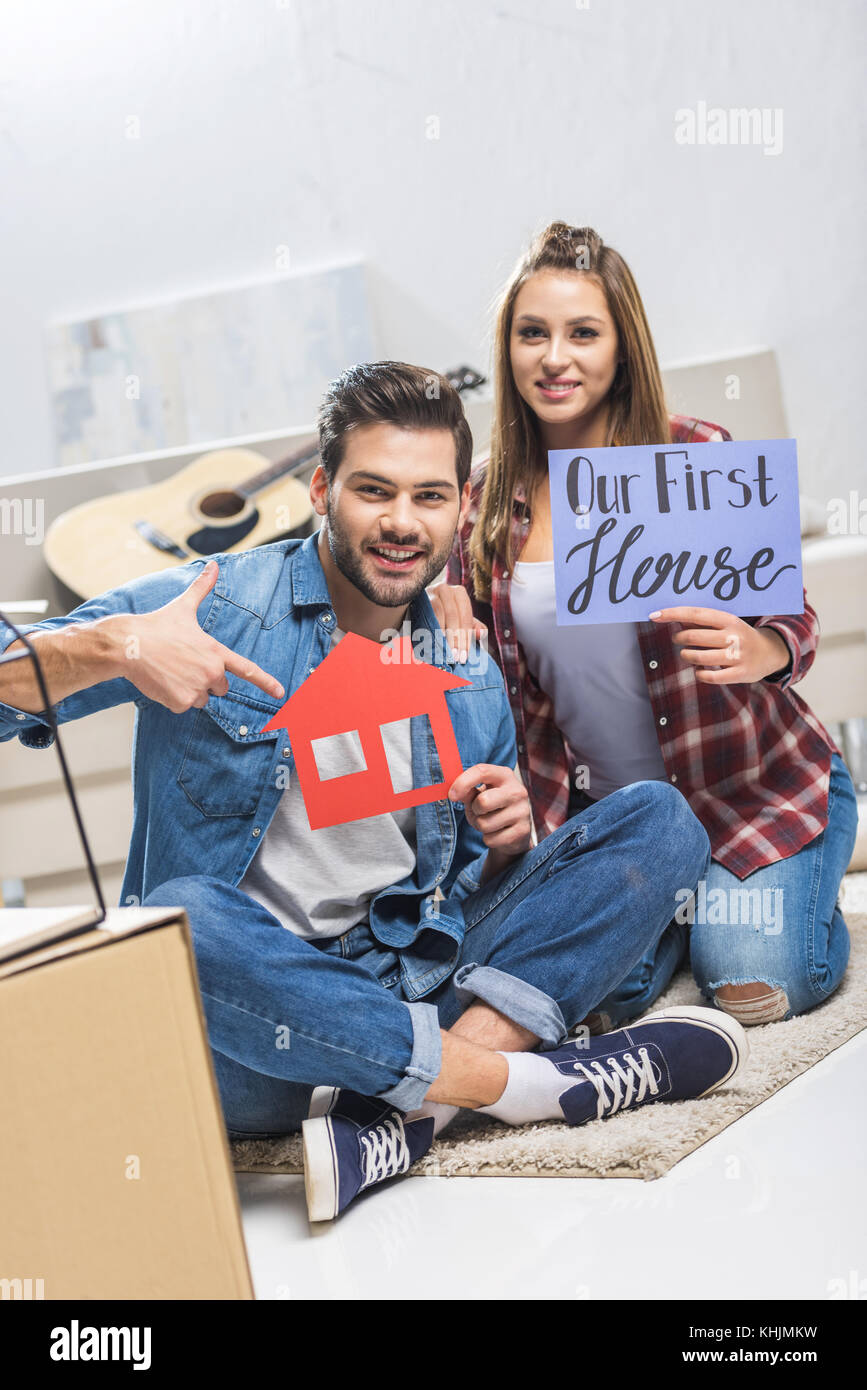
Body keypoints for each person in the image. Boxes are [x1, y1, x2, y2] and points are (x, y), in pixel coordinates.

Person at [0, 361, 747, 1223]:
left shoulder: (464, 669)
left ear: (459, 508)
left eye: (429, 496)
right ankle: (522, 1084)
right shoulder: (211, 604)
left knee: (660, 823)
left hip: (405, 984)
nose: (401, 523)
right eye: (373, 491)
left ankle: (403, 1116)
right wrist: (116, 648)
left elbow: (457, 891)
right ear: (321, 489)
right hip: (252, 1024)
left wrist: (507, 839)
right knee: (177, 924)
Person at [432, 222, 858, 1034]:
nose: (555, 357)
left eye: (582, 333)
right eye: (533, 334)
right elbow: (460, 677)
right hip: (607, 824)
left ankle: (796, 873)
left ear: (621, 347)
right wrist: (441, 616)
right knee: (601, 1003)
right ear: (507, 348)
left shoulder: (690, 451)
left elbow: (789, 621)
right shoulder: (483, 502)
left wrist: (757, 647)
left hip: (746, 789)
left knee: (752, 984)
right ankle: (675, 912)